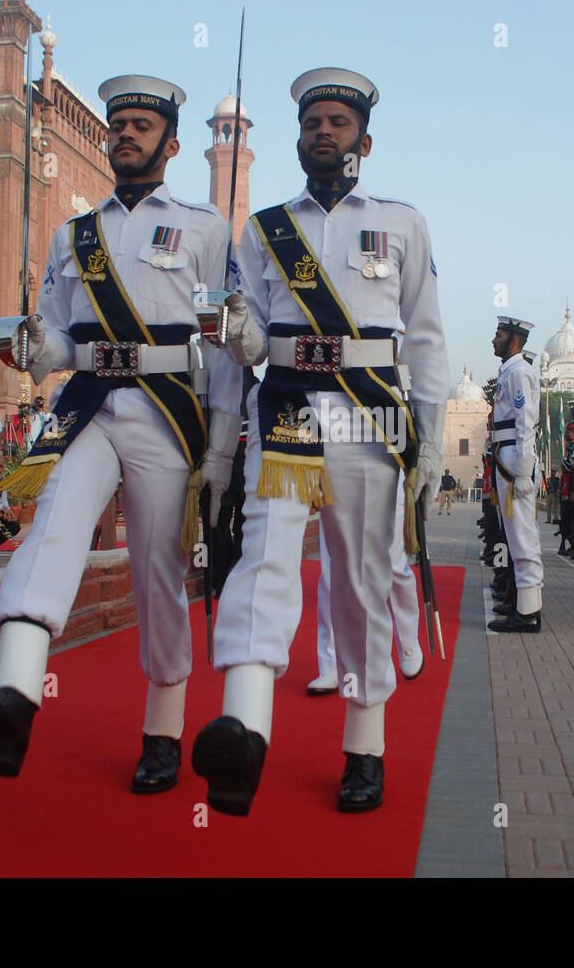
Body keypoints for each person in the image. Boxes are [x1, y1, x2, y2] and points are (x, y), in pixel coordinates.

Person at [0, 74, 243, 793]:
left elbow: (228, 347)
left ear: (170, 142)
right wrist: (31, 347)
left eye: (142, 125)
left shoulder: (205, 229)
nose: (126, 134)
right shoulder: (72, 234)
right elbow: (60, 343)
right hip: (90, 404)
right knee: (52, 529)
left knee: (157, 572)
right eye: (119, 124)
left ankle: (164, 728)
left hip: (168, 411)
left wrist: (222, 445)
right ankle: (10, 705)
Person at [190, 67, 448, 816]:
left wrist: (430, 443)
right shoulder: (264, 229)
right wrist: (220, 440)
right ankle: (243, 728)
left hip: (371, 413)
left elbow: (427, 342)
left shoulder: (401, 222)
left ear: (363, 139)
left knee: (363, 581)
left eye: (337, 122)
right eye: (312, 123)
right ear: (298, 138)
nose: (323, 133)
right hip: (289, 403)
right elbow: (240, 344)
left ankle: (365, 746)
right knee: (264, 553)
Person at [309, 474, 425, 693]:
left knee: (393, 567)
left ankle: (408, 641)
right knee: (332, 574)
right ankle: (331, 664)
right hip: (337, 460)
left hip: (389, 457)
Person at [486, 316, 541, 631]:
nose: (493, 340)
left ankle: (529, 612)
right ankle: (525, 605)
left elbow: (525, 422)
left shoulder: (519, 372)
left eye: (499, 335)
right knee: (515, 534)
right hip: (505, 452)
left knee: (522, 535)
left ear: (514, 340)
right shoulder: (509, 371)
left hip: (514, 456)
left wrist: (523, 470)